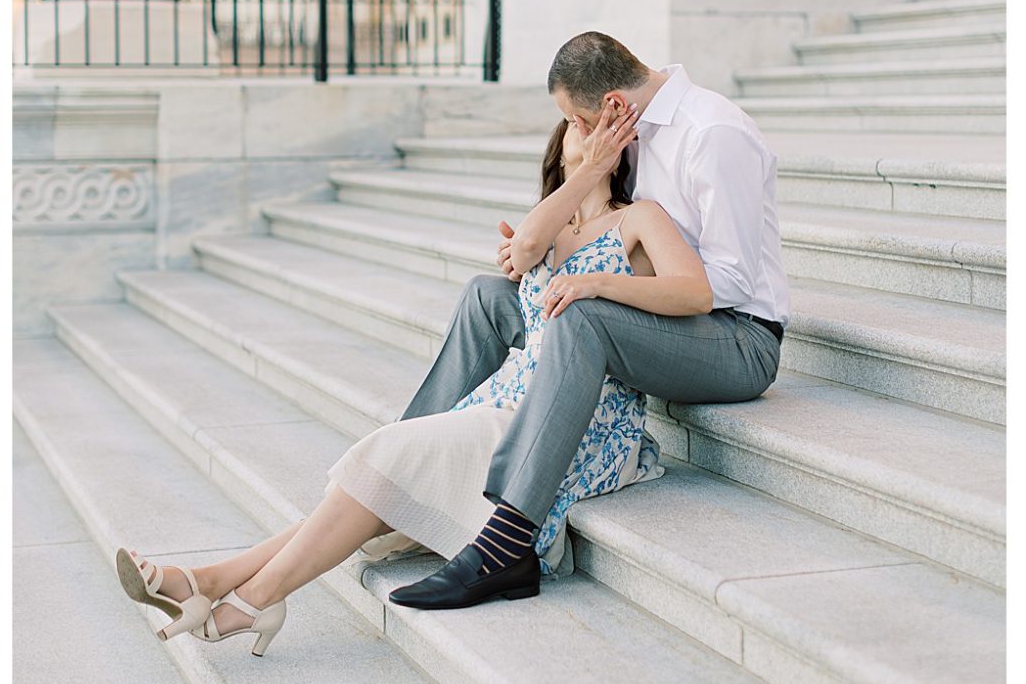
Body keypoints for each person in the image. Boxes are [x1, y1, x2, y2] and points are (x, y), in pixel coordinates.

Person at [117, 96, 705, 652]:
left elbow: (694, 293)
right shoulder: (547, 233)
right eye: (576, 126)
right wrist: (585, 174)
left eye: (598, 126)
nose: (590, 126)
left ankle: (242, 592)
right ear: (560, 157)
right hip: (502, 403)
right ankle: (213, 582)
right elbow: (526, 244)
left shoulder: (639, 219)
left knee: (387, 461)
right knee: (379, 479)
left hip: (577, 420)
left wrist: (599, 283)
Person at [387, 32, 787, 610]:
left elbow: (728, 283)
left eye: (575, 117)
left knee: (583, 316)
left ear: (612, 107)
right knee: (489, 296)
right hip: (654, 325)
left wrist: (597, 281)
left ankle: (508, 543)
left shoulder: (713, 133)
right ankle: (400, 472)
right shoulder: (635, 135)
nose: (573, 130)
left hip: (737, 341)